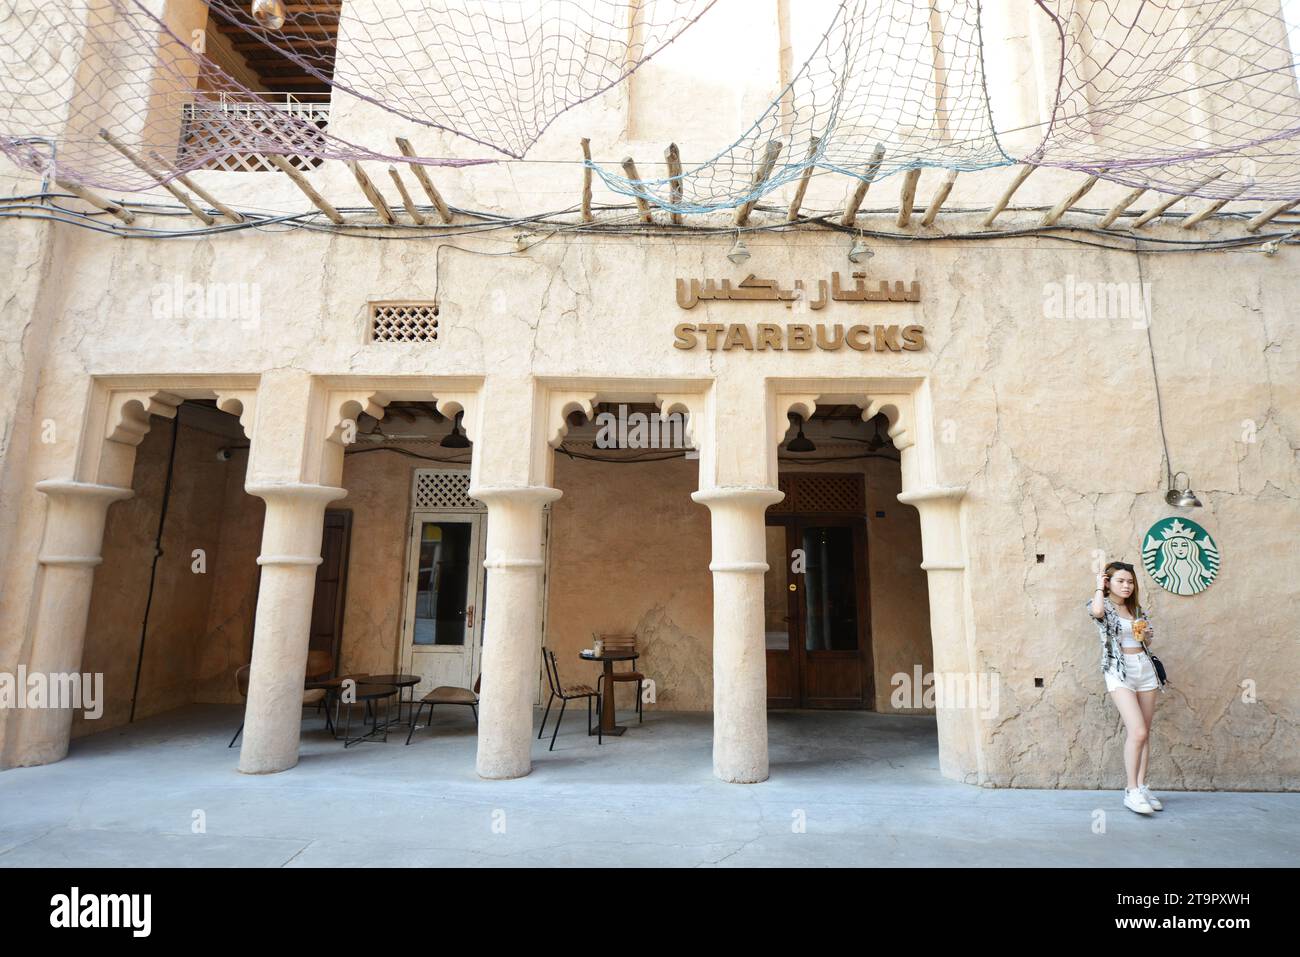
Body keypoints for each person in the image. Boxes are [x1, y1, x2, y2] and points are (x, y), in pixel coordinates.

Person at [1087, 561, 1164, 815]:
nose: (1127, 585)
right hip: (1120, 672)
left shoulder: (1137, 610)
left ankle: (1142, 786)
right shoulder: (1104, 605)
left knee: (1145, 733)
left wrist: (1148, 635)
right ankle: (1130, 791)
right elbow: (1097, 612)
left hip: (1144, 669)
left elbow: (1145, 640)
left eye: (1130, 581)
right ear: (1109, 582)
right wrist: (1099, 587)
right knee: (1137, 731)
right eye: (1121, 581)